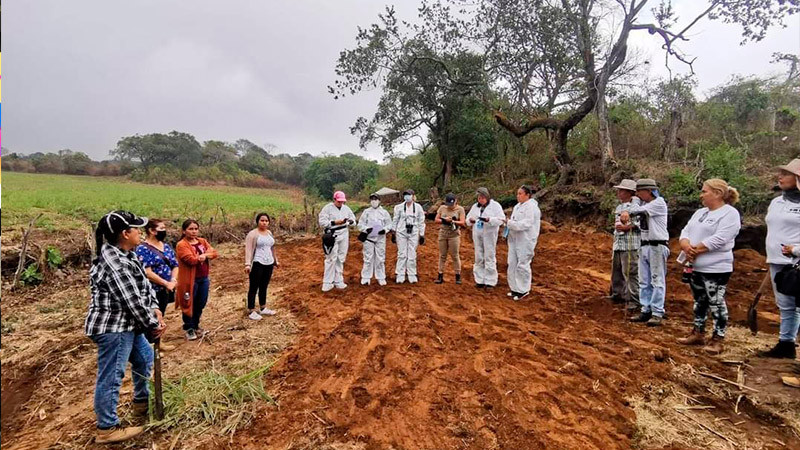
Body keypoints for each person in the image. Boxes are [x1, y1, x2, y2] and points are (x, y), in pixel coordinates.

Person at [85, 211, 165, 443]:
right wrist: (152, 324)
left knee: (144, 358)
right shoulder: (115, 263)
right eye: (136, 229)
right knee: (112, 376)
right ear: (125, 233)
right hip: (114, 328)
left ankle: (141, 404)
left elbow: (143, 287)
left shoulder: (128, 254)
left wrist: (155, 307)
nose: (140, 232)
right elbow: (131, 301)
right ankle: (107, 428)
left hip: (128, 325)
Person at [676, 179, 742, 355]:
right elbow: (686, 231)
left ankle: (718, 338)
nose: (701, 194)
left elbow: (721, 238)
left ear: (718, 193)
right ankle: (698, 332)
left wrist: (695, 250)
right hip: (696, 265)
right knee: (699, 301)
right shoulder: (700, 213)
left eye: (705, 191)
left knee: (716, 302)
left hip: (717, 267)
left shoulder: (729, 214)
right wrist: (685, 245)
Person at [758, 158, 800, 359]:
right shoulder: (776, 202)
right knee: (785, 304)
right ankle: (786, 344)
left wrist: (796, 250)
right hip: (777, 261)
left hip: (796, 262)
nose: (780, 177)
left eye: (786, 174)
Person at [622, 178, 669, 327]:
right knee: (644, 279)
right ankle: (646, 308)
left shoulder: (658, 203)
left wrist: (633, 201)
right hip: (645, 245)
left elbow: (634, 210)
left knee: (656, 279)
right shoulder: (646, 205)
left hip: (657, 245)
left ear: (648, 191)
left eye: (639, 191)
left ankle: (657, 311)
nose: (637, 194)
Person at [135, 219, 178, 351]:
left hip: (166, 289)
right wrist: (166, 283)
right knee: (151, 317)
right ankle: (151, 347)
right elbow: (147, 272)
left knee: (161, 314)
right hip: (152, 290)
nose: (164, 231)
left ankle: (158, 343)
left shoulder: (165, 246)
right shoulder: (142, 249)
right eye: (161, 228)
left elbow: (175, 265)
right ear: (151, 231)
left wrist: (173, 280)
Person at [176, 219, 218, 340]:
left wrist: (204, 255)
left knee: (200, 303)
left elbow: (214, 252)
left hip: (203, 278)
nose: (194, 231)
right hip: (189, 280)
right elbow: (191, 260)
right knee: (188, 303)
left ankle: (196, 325)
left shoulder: (202, 241)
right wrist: (204, 255)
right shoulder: (181, 245)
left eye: (195, 229)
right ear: (184, 231)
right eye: (190, 229)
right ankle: (188, 328)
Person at [504, 185, 541, 301]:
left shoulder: (532, 208)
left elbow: (526, 223)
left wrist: (510, 224)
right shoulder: (517, 207)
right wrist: (508, 224)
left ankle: (523, 289)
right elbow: (515, 221)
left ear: (527, 195)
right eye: (517, 194)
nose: (518, 196)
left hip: (526, 240)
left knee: (523, 263)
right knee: (512, 262)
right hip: (514, 239)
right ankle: (514, 288)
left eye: (520, 194)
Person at [610, 180, 641, 311]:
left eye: (621, 190)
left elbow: (639, 224)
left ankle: (633, 299)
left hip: (631, 244)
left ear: (629, 193)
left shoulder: (637, 206)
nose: (619, 193)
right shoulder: (619, 207)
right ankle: (617, 294)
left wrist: (627, 227)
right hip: (618, 243)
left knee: (630, 272)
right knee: (617, 271)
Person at [466, 187, 505, 288]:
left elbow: (501, 219)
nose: (481, 199)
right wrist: (471, 220)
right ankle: (479, 279)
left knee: (489, 256)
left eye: (483, 197)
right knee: (479, 256)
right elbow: (467, 220)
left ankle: (490, 281)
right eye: (479, 198)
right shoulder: (475, 207)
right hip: (477, 234)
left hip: (489, 234)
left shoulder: (495, 206)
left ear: (487, 197)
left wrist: (489, 220)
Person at [318, 190, 356, 292]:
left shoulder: (346, 209)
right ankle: (327, 282)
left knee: (341, 257)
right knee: (331, 258)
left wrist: (350, 221)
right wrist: (334, 222)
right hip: (332, 234)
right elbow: (322, 222)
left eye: (342, 202)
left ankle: (338, 280)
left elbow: (353, 220)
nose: (340, 203)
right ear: (334, 199)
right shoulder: (327, 208)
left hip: (344, 233)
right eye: (339, 201)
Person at [244, 213, 280, 321]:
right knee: (254, 286)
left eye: (266, 221)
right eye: (262, 220)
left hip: (268, 263)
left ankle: (263, 307)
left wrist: (275, 260)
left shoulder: (269, 233)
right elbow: (249, 249)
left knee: (264, 285)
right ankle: (251, 309)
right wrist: (247, 264)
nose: (264, 223)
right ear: (257, 221)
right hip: (257, 262)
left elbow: (272, 247)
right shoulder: (252, 234)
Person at [357, 193, 393, 286]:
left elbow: (389, 224)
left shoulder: (384, 212)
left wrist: (384, 230)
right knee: (368, 258)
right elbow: (360, 224)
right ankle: (366, 277)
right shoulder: (366, 212)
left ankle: (381, 277)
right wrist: (366, 229)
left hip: (380, 238)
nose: (374, 201)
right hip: (369, 238)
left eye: (375, 199)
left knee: (380, 258)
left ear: (379, 200)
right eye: (372, 199)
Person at [392, 189, 426, 284]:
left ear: (413, 195)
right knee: (402, 253)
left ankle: (412, 274)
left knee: (412, 253)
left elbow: (421, 221)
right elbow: (395, 219)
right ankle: (400, 274)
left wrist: (422, 234)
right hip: (401, 232)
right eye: (405, 195)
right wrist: (393, 232)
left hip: (413, 232)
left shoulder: (418, 207)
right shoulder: (398, 207)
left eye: (409, 194)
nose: (407, 196)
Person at [434, 193, 467, 284]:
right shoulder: (442, 208)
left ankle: (458, 276)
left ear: (456, 201)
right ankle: (440, 275)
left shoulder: (460, 209)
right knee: (442, 255)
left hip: (454, 234)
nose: (450, 206)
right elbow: (436, 220)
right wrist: (444, 220)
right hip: (443, 233)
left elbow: (462, 222)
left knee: (455, 255)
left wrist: (453, 221)